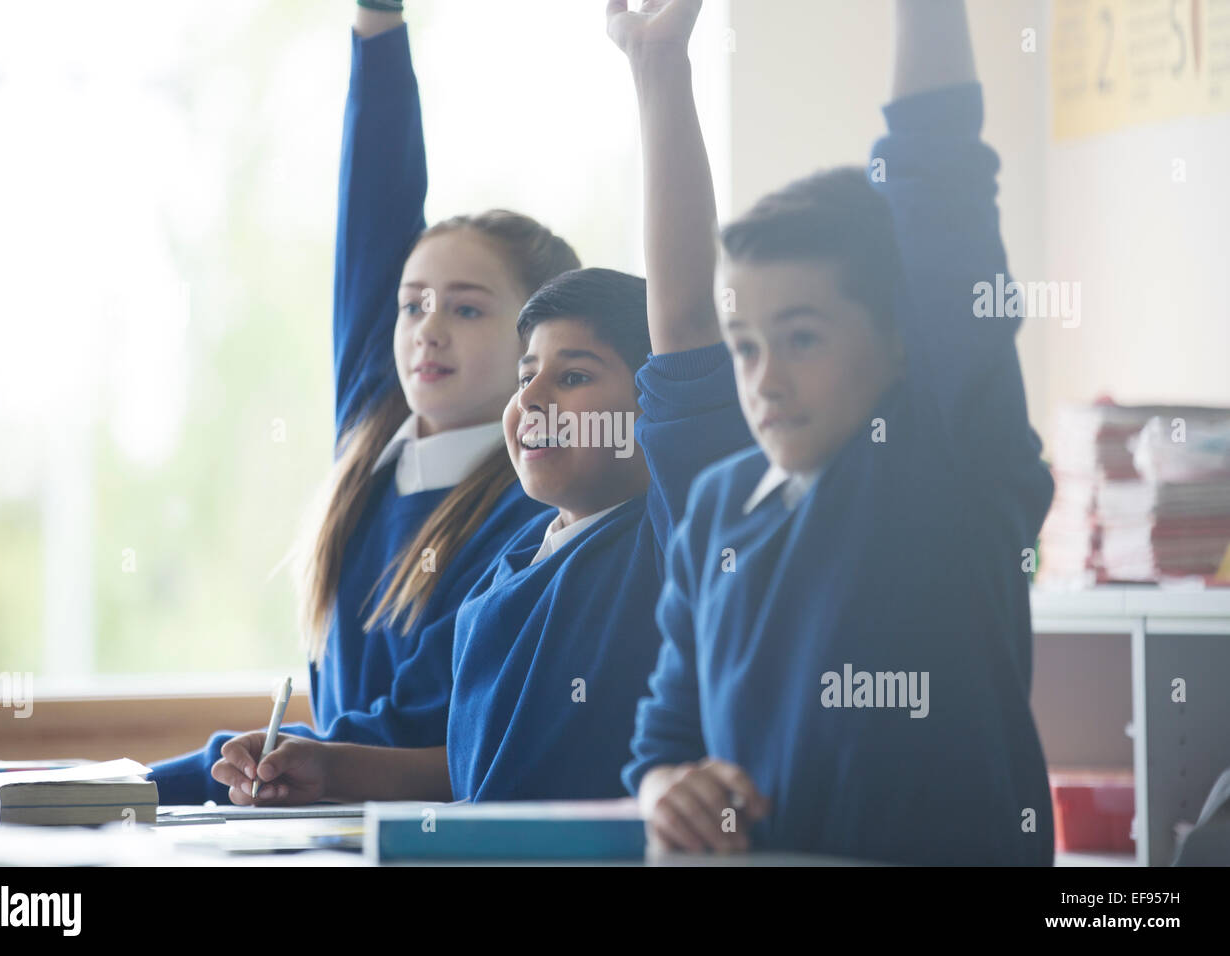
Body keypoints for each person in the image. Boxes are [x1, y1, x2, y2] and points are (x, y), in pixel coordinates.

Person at [207, 0, 754, 806]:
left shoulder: (666, 536)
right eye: (529, 371)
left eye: (574, 376)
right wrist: (332, 768)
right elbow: (469, 771)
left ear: (649, 410)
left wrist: (659, 68)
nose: (530, 394)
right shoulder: (508, 570)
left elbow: (687, 324)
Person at [624, 0, 1056, 865]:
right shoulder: (719, 505)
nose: (764, 378)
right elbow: (665, 740)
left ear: (900, 341)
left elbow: (940, 177)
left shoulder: (948, 448)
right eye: (746, 346)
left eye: (805, 338)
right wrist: (668, 790)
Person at [148, 3, 576, 804]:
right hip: (317, 819)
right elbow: (374, 206)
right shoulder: (374, 430)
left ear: (533, 344)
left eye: (468, 308)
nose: (428, 331)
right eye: (413, 305)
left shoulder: (532, 512)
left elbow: (404, 728)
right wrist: (377, 20)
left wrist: (155, 783)